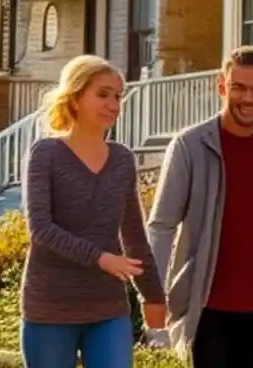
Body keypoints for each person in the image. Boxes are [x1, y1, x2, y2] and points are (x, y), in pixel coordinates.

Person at [147, 46, 253, 367]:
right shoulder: (189, 146)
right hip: (208, 308)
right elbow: (162, 225)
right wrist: (153, 293)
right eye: (238, 87)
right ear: (221, 86)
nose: (248, 99)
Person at [19, 55, 166, 368]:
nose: (113, 104)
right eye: (103, 94)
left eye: (117, 96)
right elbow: (41, 229)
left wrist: (153, 296)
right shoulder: (45, 154)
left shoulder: (122, 159)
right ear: (74, 98)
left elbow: (134, 236)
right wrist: (101, 258)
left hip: (108, 310)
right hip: (50, 308)